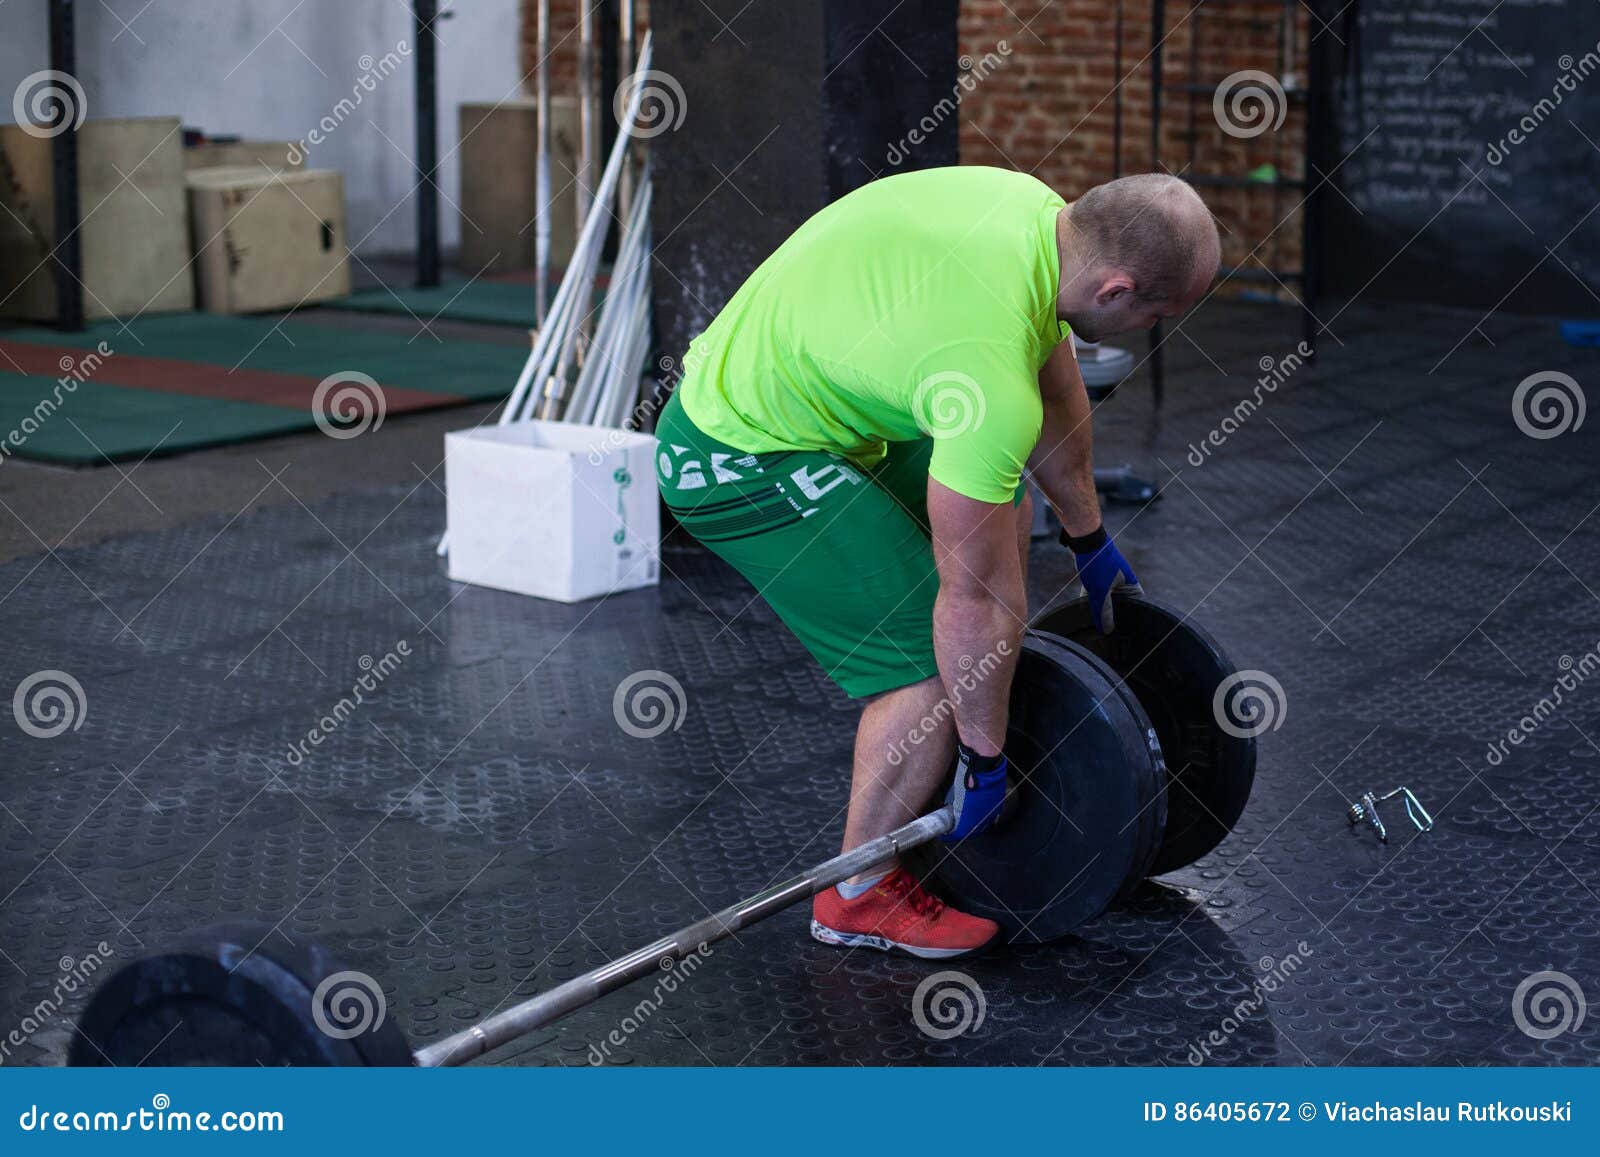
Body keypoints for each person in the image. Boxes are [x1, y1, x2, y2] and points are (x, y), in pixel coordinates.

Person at [655, 166, 1220, 958]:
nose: (1149, 327)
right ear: (1117, 291)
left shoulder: (1037, 219)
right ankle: (856, 891)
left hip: (827, 396)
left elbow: (1058, 395)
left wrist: (1088, 535)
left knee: (1002, 504)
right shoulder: (985, 376)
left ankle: (968, 720)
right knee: (929, 660)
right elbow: (970, 598)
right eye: (1156, 315)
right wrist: (988, 758)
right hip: (732, 451)